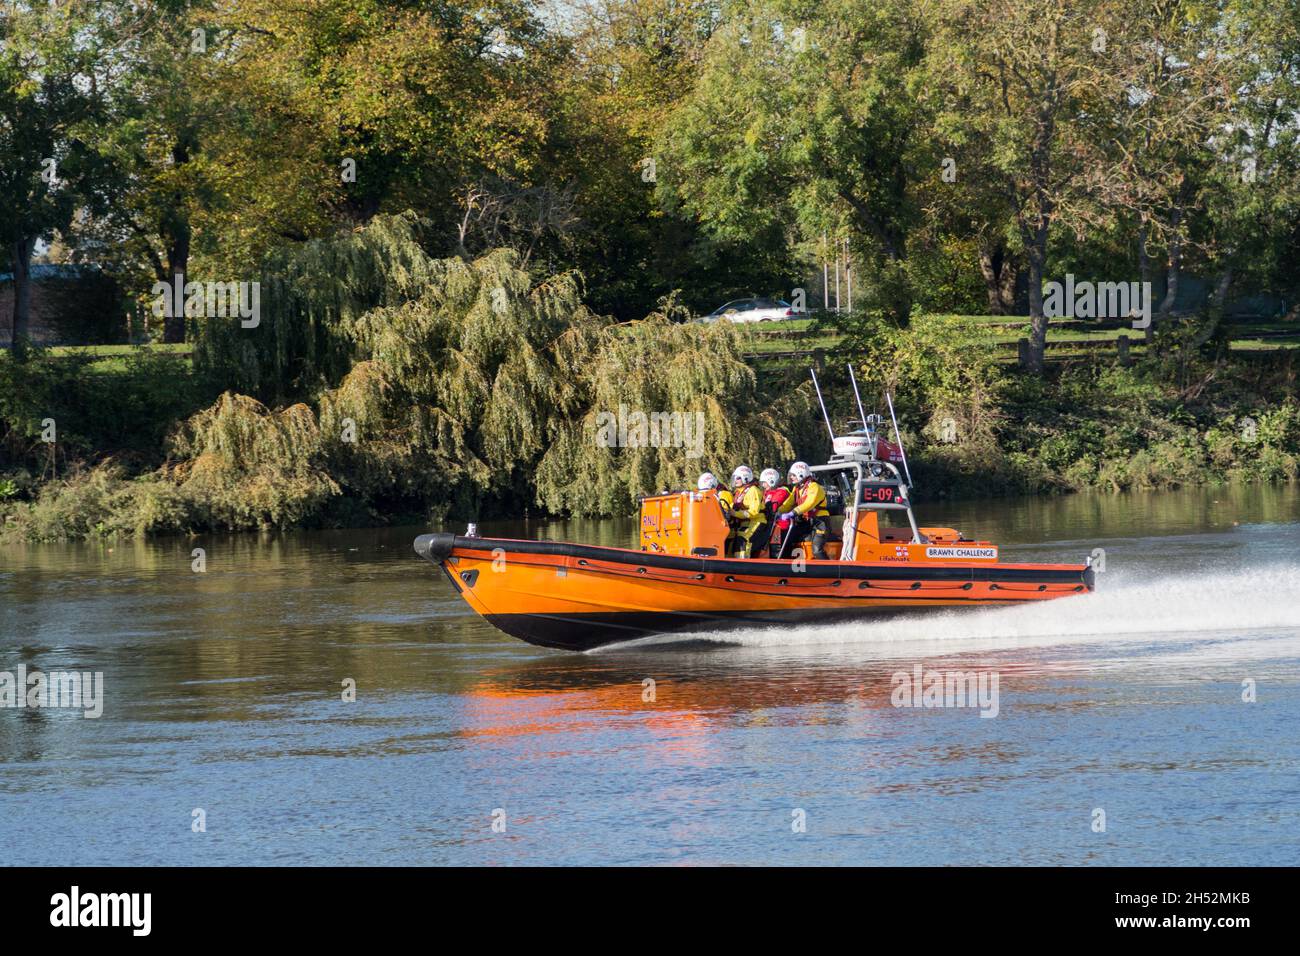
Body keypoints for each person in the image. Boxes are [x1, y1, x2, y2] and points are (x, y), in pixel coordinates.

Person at [776, 461, 830, 559]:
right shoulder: (797, 489)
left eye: (793, 475)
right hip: (807, 521)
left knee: (817, 549)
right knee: (789, 538)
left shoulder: (814, 487)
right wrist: (778, 512)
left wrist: (792, 513)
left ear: (801, 474)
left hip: (820, 521)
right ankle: (787, 562)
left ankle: (831, 571)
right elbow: (788, 503)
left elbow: (809, 503)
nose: (791, 477)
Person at [728, 465, 767, 558]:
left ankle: (742, 563)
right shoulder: (739, 491)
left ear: (745, 478)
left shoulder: (753, 490)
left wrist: (735, 513)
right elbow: (732, 506)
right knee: (733, 537)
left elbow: (753, 512)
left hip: (757, 521)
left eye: (738, 478)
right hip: (746, 522)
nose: (735, 480)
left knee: (744, 538)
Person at [758, 467, 791, 558]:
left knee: (777, 550)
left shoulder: (782, 491)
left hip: (781, 525)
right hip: (771, 525)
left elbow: (773, 506)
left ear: (771, 481)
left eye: (764, 483)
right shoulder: (767, 492)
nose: (763, 485)